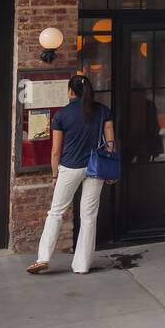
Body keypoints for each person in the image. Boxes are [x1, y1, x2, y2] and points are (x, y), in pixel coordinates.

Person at [28, 75, 114, 274]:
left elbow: (55, 151)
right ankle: (82, 265)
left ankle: (43, 258)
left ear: (70, 92)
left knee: (56, 212)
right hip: (95, 168)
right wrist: (109, 167)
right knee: (89, 216)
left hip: (70, 167)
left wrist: (54, 175)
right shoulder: (103, 111)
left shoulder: (61, 115)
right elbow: (110, 144)